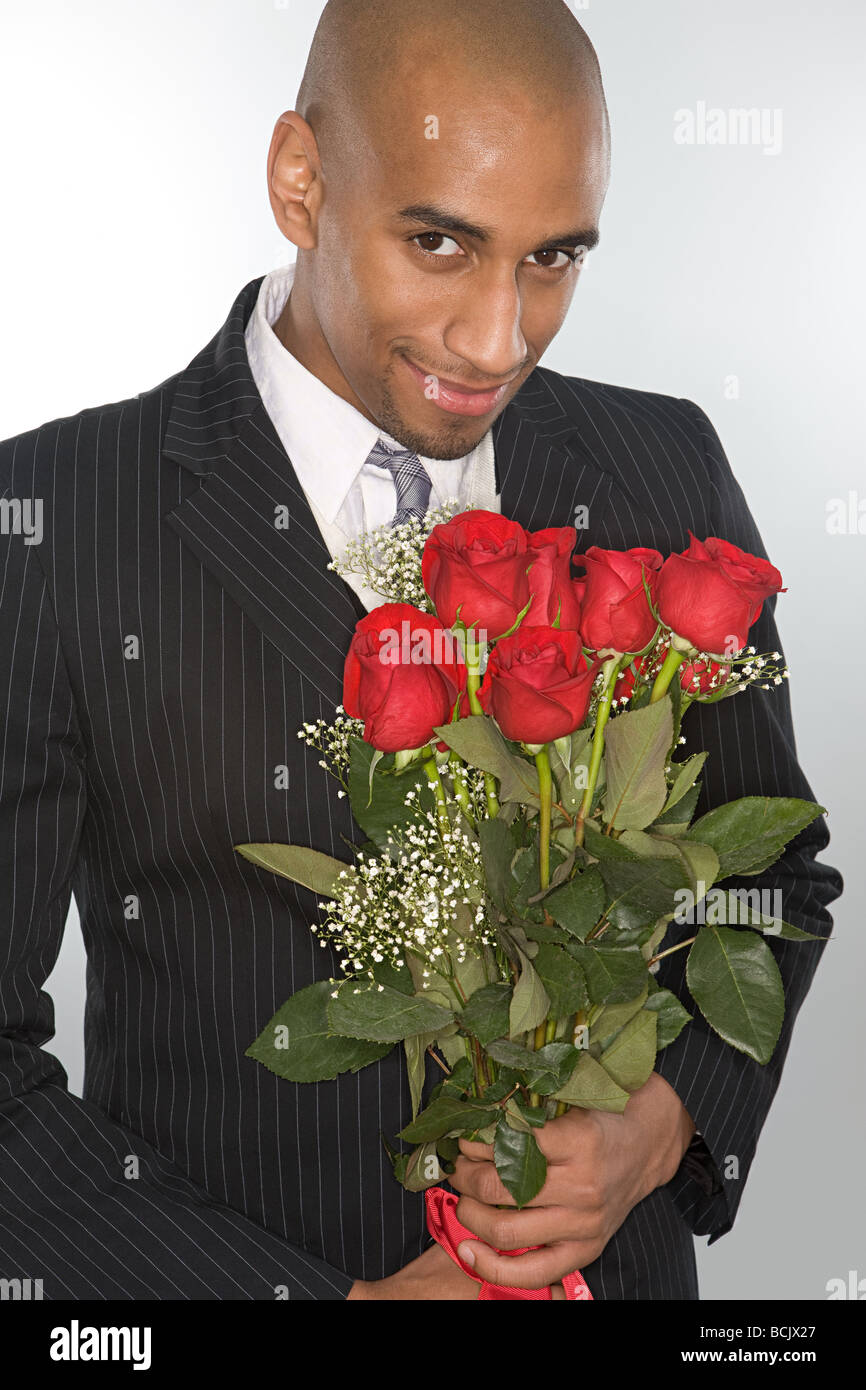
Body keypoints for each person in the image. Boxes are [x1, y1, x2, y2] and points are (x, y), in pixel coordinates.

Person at [0, 0, 842, 1301]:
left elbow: (768, 869)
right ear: (301, 178)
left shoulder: (660, 461)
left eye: (552, 258)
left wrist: (663, 1123)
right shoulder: (58, 520)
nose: (497, 338)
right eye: (439, 242)